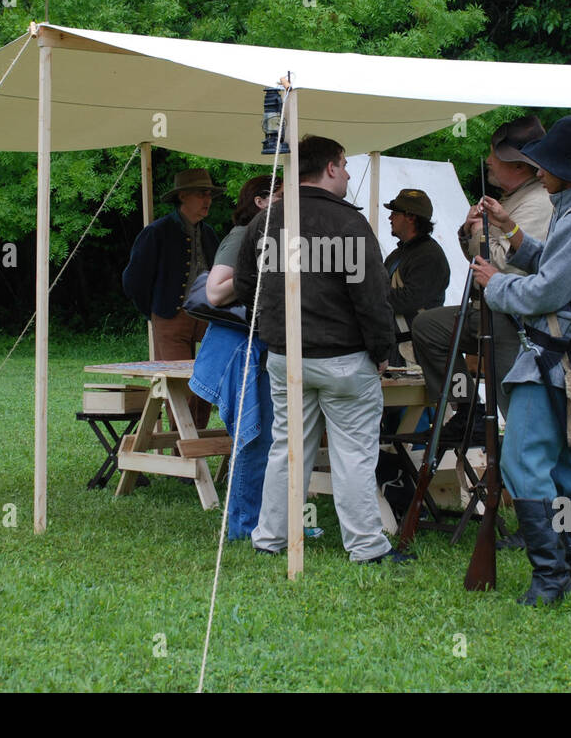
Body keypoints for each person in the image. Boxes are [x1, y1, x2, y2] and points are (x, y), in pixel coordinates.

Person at [234, 135, 410, 564]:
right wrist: (383, 349)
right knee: (353, 455)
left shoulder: (266, 221)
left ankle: (270, 537)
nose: (349, 174)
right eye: (344, 165)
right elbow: (371, 297)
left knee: (286, 450)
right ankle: (366, 547)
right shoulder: (348, 223)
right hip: (344, 359)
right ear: (330, 167)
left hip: (284, 356)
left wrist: (268, 331)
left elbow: (245, 286)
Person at [472, 115, 571, 606]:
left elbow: (547, 291)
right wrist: (512, 232)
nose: (538, 169)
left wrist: (496, 284)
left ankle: (551, 577)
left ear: (565, 170)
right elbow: (555, 266)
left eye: (546, 164)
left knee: (522, 461)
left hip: (555, 359)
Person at [411, 116, 553, 434]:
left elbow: (504, 265)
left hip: (512, 318)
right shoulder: (515, 199)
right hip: (489, 309)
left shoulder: (536, 204)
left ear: (517, 166)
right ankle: (467, 408)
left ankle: (519, 461)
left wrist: (477, 232)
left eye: (495, 155)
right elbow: (481, 260)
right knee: (429, 328)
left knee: (512, 407)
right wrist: (470, 231)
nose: (489, 160)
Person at [189, 174, 282, 540]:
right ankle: (244, 527)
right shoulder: (243, 235)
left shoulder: (275, 238)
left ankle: (269, 522)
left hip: (262, 345)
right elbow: (214, 293)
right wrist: (258, 272)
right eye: (282, 195)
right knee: (254, 437)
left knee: (272, 437)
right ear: (260, 202)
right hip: (241, 346)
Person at [122, 168, 223, 430]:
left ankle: (197, 442)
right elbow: (134, 280)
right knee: (180, 387)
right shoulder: (157, 232)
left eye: (209, 194)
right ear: (182, 196)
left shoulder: (210, 234)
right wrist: (157, 313)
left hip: (206, 317)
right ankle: (183, 453)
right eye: (202, 193)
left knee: (206, 382)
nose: (207, 199)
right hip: (170, 316)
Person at [382, 187, 450, 366]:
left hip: (413, 351)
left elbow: (409, 299)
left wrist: (370, 297)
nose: (390, 218)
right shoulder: (398, 254)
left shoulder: (430, 255)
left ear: (410, 217)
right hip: (394, 346)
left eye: (395, 213)